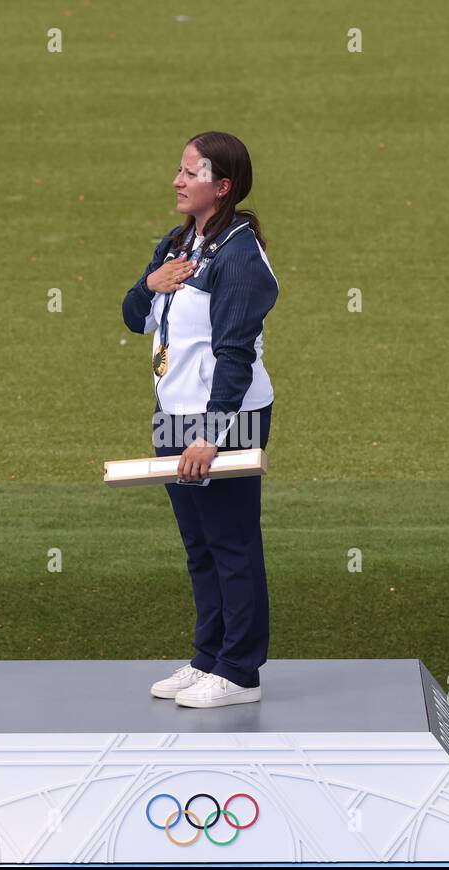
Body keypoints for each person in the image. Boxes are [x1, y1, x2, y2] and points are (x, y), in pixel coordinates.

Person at [122, 131, 279, 709]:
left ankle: (240, 671)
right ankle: (208, 657)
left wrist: (212, 436)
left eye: (190, 173)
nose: (177, 181)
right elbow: (134, 317)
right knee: (199, 543)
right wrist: (147, 284)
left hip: (226, 418)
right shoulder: (178, 241)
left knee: (232, 541)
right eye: (180, 170)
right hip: (173, 413)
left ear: (223, 186)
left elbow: (235, 355)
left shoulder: (239, 256)